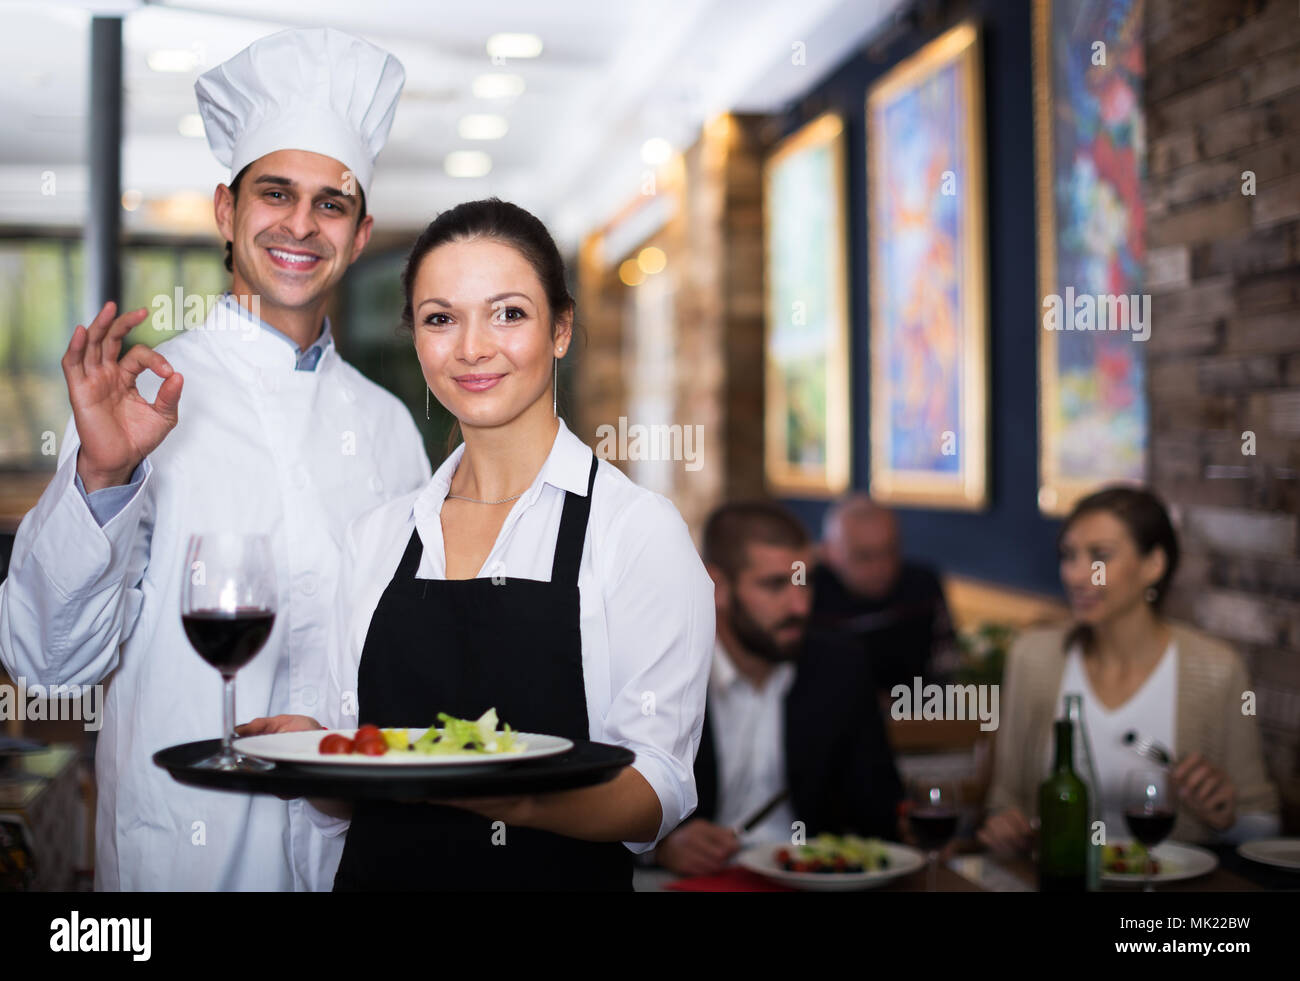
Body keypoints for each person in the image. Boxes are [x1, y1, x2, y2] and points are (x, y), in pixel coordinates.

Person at [0, 28, 429, 891]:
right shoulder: (147, 398)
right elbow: (46, 666)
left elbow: (407, 658)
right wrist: (102, 475)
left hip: (360, 850)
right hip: (186, 854)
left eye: (331, 202)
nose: (301, 224)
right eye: (275, 193)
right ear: (227, 213)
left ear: (360, 231)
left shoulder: (390, 428)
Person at [244, 198, 715, 891]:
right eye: (441, 318)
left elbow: (658, 786)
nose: (472, 347)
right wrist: (312, 757)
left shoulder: (635, 531)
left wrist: (515, 800)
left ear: (560, 329)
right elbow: (349, 796)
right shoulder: (377, 538)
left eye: (508, 313)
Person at [978, 486, 1280, 855]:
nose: (1075, 575)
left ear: (1154, 564)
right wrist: (1006, 826)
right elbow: (1004, 799)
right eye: (1069, 556)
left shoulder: (1218, 670)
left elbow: (1262, 825)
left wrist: (1223, 815)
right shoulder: (1032, 659)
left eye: (1099, 557)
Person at [653, 501, 903, 878]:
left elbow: (880, 808)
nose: (799, 606)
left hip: (812, 879)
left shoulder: (839, 666)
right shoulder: (660, 672)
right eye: (775, 585)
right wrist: (661, 848)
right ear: (716, 586)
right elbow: (603, 806)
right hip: (688, 881)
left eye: (806, 581)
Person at [811, 494, 958, 692]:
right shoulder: (808, 594)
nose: (881, 567)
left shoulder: (923, 586)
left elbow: (945, 667)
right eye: (863, 556)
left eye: (890, 551)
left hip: (915, 714)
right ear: (829, 552)